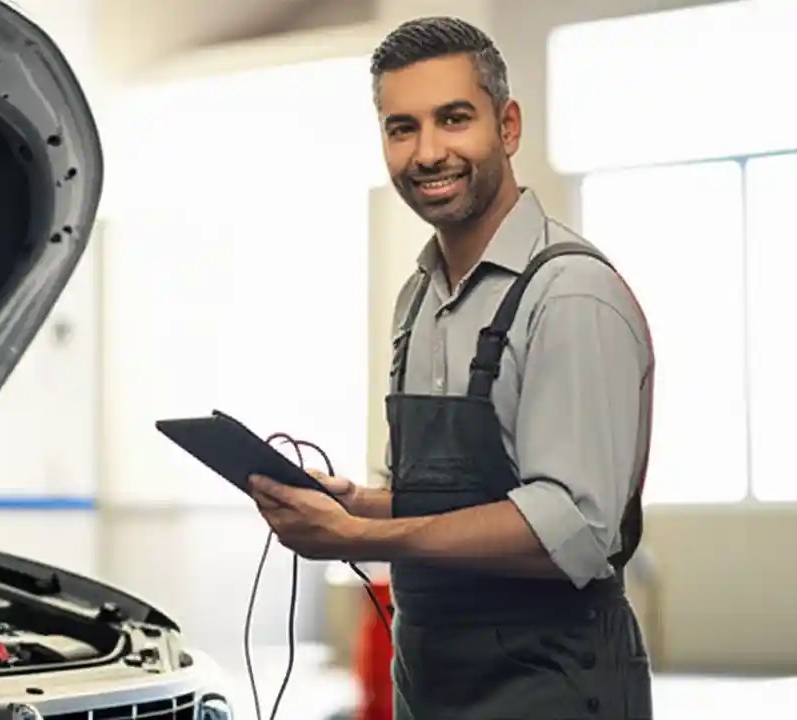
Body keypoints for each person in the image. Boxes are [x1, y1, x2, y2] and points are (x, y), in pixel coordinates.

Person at [246, 15, 656, 720]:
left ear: (509, 126)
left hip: (554, 688)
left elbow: (575, 531)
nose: (427, 151)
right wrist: (354, 500)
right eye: (401, 128)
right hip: (431, 682)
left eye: (454, 119)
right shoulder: (419, 300)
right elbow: (451, 497)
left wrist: (359, 537)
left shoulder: (570, 294)